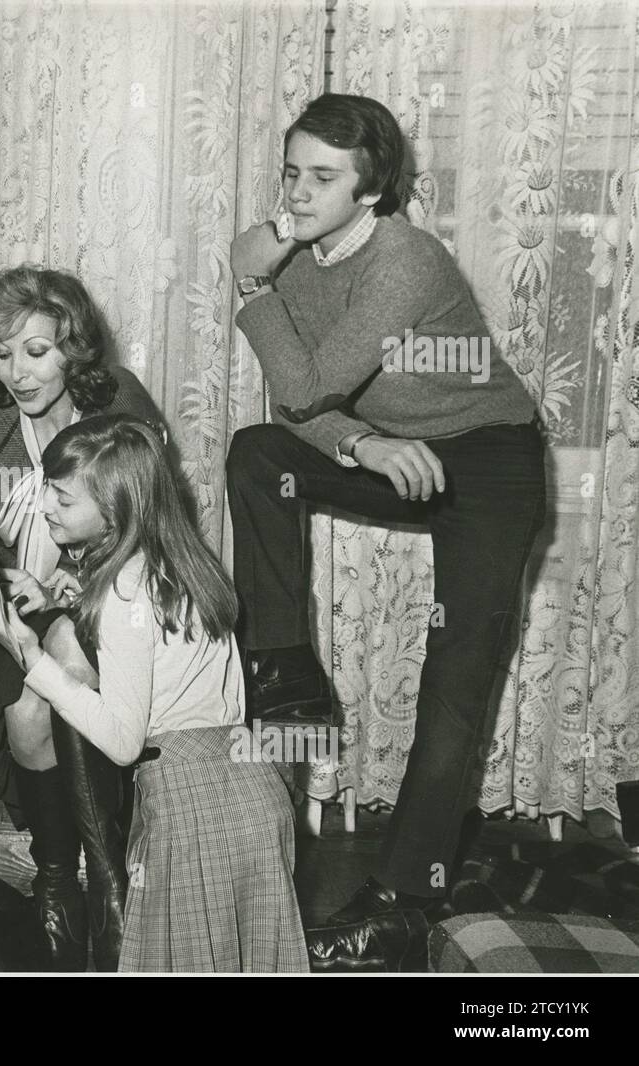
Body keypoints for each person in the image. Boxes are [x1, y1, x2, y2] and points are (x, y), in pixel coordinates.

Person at [227, 92, 544, 948]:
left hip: (490, 462)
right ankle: (285, 668)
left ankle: (405, 896)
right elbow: (291, 415)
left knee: (456, 680)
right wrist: (362, 443)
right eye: (290, 172)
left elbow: (303, 386)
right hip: (398, 449)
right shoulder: (295, 247)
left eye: (322, 178)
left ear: (371, 192)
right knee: (255, 455)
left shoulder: (402, 259)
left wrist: (248, 279)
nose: (295, 194)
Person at [0, 415, 308, 972]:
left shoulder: (126, 591)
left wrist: (27, 655)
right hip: (253, 789)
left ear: (115, 511)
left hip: (189, 801)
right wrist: (60, 590)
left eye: (64, 499)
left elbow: (123, 741)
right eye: (47, 489)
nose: (47, 507)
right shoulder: (188, 564)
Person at [0, 266, 165, 970]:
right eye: (2, 355)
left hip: (113, 598)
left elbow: (147, 524)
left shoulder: (119, 403)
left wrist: (66, 596)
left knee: (59, 687)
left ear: (72, 346)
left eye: (36, 353)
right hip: (12, 612)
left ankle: (98, 879)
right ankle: (65, 878)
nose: (18, 373)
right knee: (31, 714)